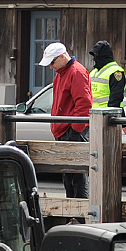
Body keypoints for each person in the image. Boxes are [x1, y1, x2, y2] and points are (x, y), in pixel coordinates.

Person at [42, 42, 92, 199]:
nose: (51, 66)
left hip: (72, 131)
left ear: (62, 57)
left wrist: (75, 130)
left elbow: (84, 104)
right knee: (69, 177)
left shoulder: (76, 72)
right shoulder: (62, 74)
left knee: (77, 177)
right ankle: (74, 215)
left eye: (52, 62)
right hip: (65, 130)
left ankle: (79, 216)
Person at [88, 40, 126, 111]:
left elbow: (116, 97)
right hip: (94, 114)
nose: (94, 58)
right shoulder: (94, 72)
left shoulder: (116, 72)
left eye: (96, 55)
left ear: (103, 55)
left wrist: (110, 115)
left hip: (108, 115)